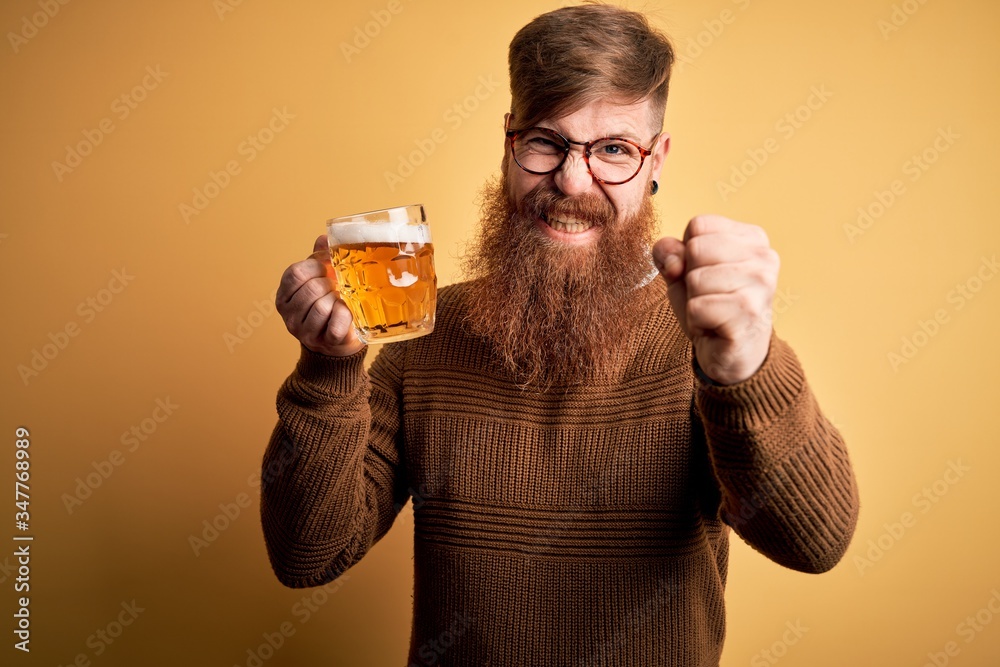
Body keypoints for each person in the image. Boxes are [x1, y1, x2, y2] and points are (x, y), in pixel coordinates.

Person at [261, 4, 859, 665]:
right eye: (547, 140)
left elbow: (817, 542)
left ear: (656, 157)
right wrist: (328, 368)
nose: (572, 182)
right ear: (509, 140)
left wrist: (743, 365)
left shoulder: (709, 343)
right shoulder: (425, 336)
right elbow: (307, 554)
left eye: (613, 149)